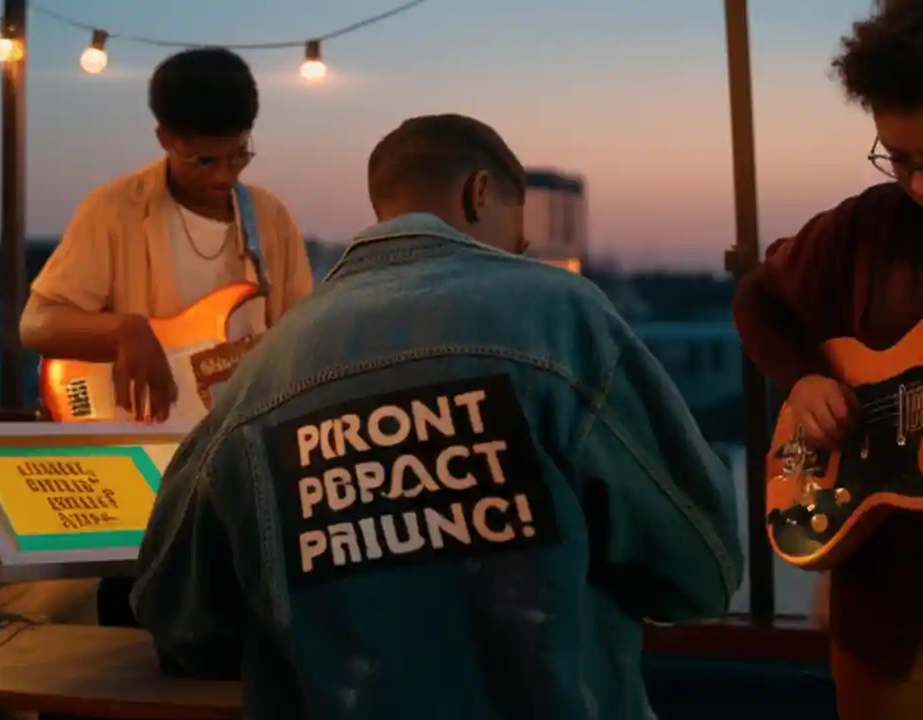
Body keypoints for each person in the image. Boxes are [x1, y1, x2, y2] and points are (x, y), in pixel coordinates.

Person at [131, 113, 743, 719]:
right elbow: (702, 566)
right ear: (479, 193)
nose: (519, 254)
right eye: (517, 235)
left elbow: (180, 619)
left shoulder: (262, 372)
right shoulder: (560, 316)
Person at [732, 2, 923, 716]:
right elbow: (760, 300)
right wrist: (805, 378)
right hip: (884, 624)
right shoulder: (866, 226)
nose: (917, 185)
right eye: (898, 160)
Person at [20, 46, 313, 425]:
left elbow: (305, 340)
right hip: (138, 438)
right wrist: (124, 332)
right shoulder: (114, 210)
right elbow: (36, 324)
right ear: (164, 138)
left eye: (239, 155)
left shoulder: (270, 218)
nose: (224, 175)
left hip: (236, 444)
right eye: (203, 161)